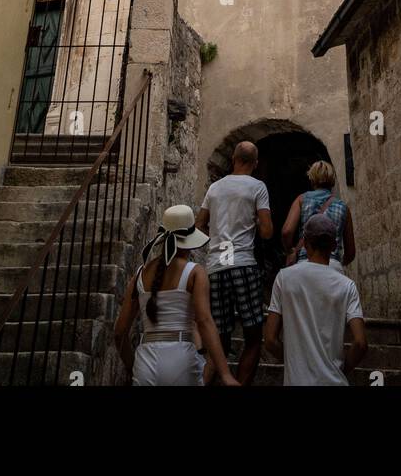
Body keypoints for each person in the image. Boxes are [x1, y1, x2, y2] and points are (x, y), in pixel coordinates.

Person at [114, 203, 238, 387]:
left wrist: (133, 366)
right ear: (190, 243)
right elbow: (204, 321)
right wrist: (226, 374)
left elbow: (119, 332)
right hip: (181, 359)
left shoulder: (140, 274)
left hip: (145, 361)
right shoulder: (195, 272)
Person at [195, 140, 273, 386]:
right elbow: (268, 231)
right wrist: (254, 224)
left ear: (233, 159)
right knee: (252, 338)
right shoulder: (257, 187)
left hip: (216, 266)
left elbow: (198, 225)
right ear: (255, 163)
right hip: (243, 264)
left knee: (219, 339)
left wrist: (216, 235)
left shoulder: (215, 188)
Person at [264, 214, 367, 386]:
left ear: (305, 243)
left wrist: (294, 361)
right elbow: (360, 343)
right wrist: (342, 370)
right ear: (334, 246)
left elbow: (270, 340)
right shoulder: (347, 285)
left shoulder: (284, 278)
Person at [281, 160, 356, 267]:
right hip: (332, 261)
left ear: (312, 179)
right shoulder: (344, 208)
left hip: (306, 260)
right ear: (332, 180)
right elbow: (351, 252)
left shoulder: (301, 200)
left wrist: (290, 251)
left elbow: (286, 232)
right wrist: (338, 264)